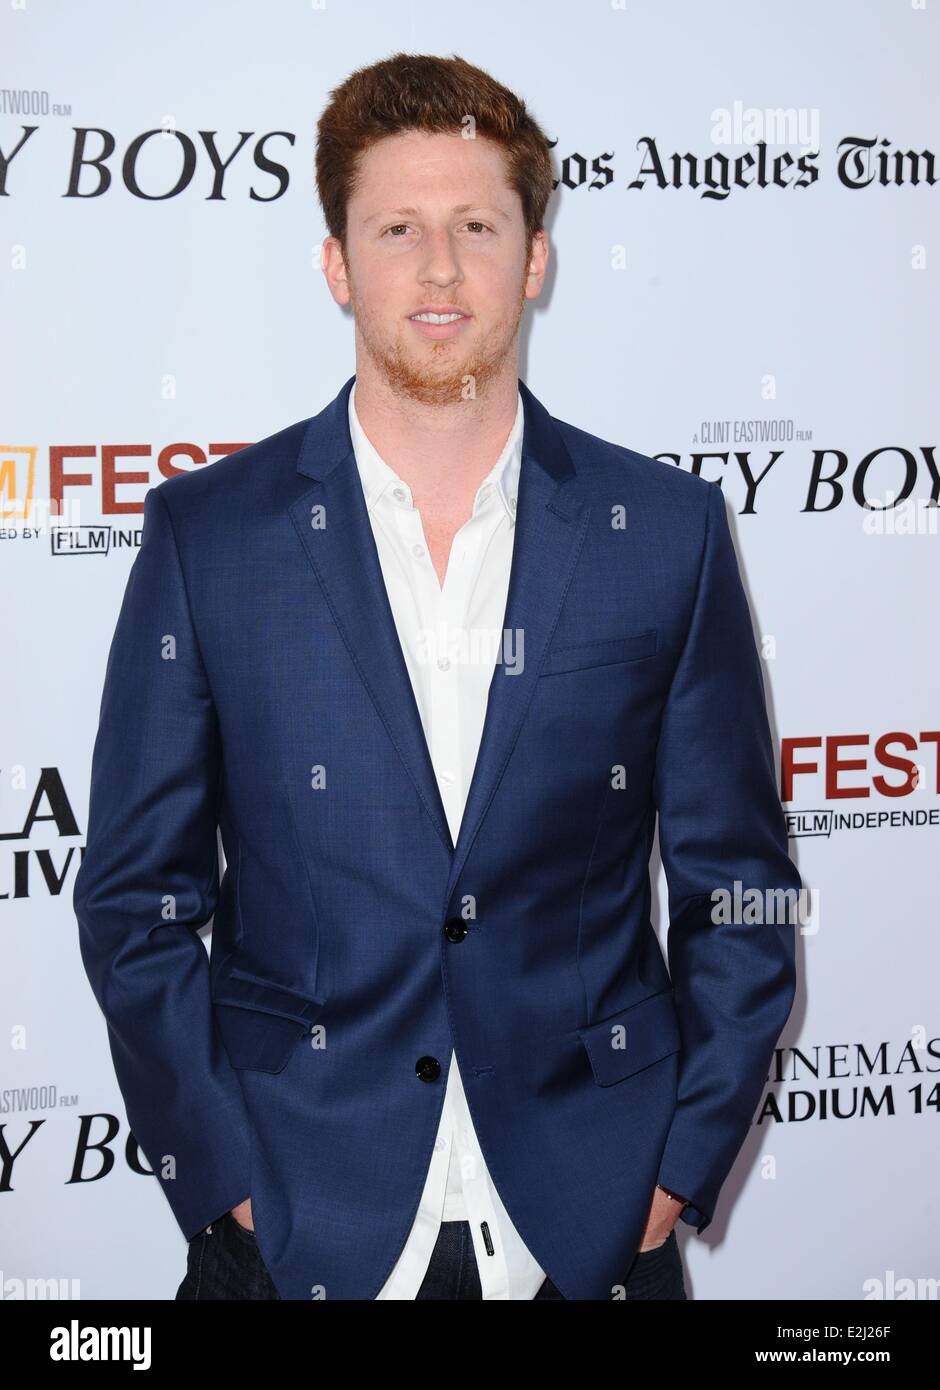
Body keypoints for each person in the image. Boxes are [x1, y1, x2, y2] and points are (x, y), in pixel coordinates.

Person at [73, 52, 801, 1301]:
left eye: (477, 226)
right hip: (298, 1224)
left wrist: (680, 1157)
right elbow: (134, 898)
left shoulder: (662, 530)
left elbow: (739, 888)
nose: (440, 270)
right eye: (397, 229)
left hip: (587, 1231)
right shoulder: (211, 536)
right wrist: (227, 1170)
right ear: (337, 264)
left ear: (535, 258)